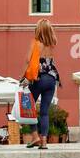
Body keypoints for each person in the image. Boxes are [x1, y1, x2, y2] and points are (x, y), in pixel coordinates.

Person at [20, 19, 60, 149]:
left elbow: (27, 60)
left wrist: (22, 77)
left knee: (29, 109)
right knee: (44, 112)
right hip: (52, 79)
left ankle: (35, 136)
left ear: (38, 29)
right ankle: (44, 142)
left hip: (38, 78)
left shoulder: (36, 42)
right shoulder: (52, 43)